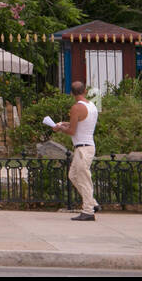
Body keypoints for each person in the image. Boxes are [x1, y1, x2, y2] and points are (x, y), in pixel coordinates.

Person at [53, 81, 101, 220]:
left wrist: (59, 128)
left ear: (71, 93)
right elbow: (81, 124)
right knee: (73, 175)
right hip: (87, 146)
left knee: (83, 179)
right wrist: (63, 124)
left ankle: (88, 211)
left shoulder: (76, 108)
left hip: (83, 148)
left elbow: (72, 131)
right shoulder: (91, 105)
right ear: (85, 91)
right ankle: (93, 203)